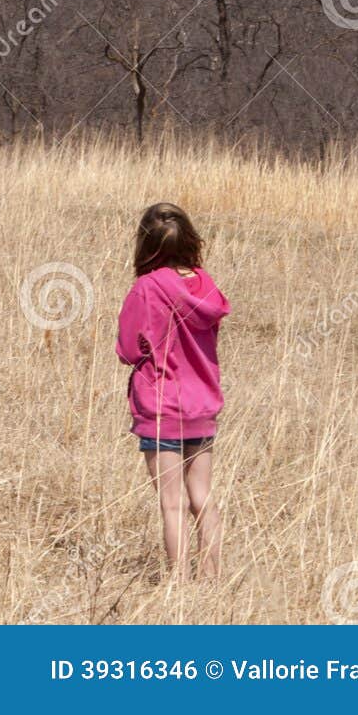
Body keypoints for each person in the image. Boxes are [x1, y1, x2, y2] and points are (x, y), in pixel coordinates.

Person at [116, 201, 229, 580]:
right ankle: (211, 578)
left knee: (172, 504)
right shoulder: (206, 285)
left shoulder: (147, 288)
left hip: (162, 406)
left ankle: (177, 586)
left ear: (145, 245)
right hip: (202, 405)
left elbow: (128, 350)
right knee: (202, 497)